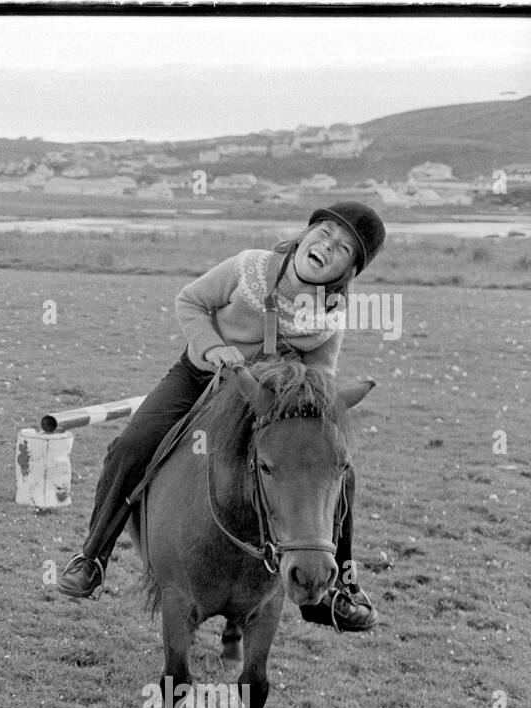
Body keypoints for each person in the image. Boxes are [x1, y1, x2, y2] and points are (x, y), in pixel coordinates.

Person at [57, 202, 387, 632]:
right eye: (324, 233)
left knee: (339, 467)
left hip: (263, 401)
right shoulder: (248, 267)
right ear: (306, 234)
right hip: (199, 376)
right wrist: (213, 346)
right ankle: (93, 556)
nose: (328, 245)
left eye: (343, 248)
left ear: (348, 271)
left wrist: (303, 400)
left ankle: (339, 585)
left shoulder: (330, 316)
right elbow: (190, 300)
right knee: (130, 446)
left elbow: (320, 376)